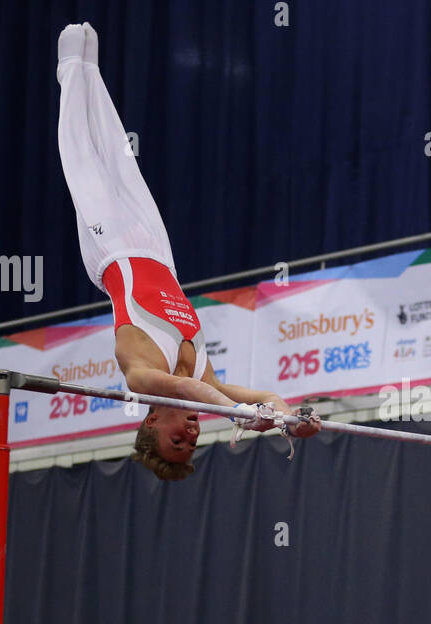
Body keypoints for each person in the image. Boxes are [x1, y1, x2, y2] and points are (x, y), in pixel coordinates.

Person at [56, 22, 319, 480]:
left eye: (177, 440)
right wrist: (288, 420)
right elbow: (266, 397)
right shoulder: (207, 381)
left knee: (87, 165)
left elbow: (182, 387)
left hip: (112, 252)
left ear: (152, 421)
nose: (192, 436)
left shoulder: (141, 380)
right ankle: (91, 72)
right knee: (122, 160)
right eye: (192, 445)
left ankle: (70, 71)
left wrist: (237, 414)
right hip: (159, 254)